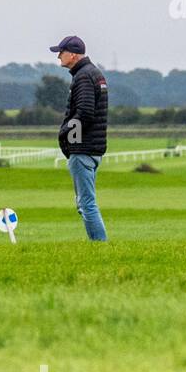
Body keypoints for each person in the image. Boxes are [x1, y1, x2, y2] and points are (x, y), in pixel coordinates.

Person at [50, 35, 108, 241]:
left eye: (62, 52)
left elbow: (84, 113)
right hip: (93, 148)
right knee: (86, 202)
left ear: (73, 55)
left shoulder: (83, 76)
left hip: (83, 149)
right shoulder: (94, 73)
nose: (59, 56)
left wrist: (65, 134)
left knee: (86, 203)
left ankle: (100, 247)